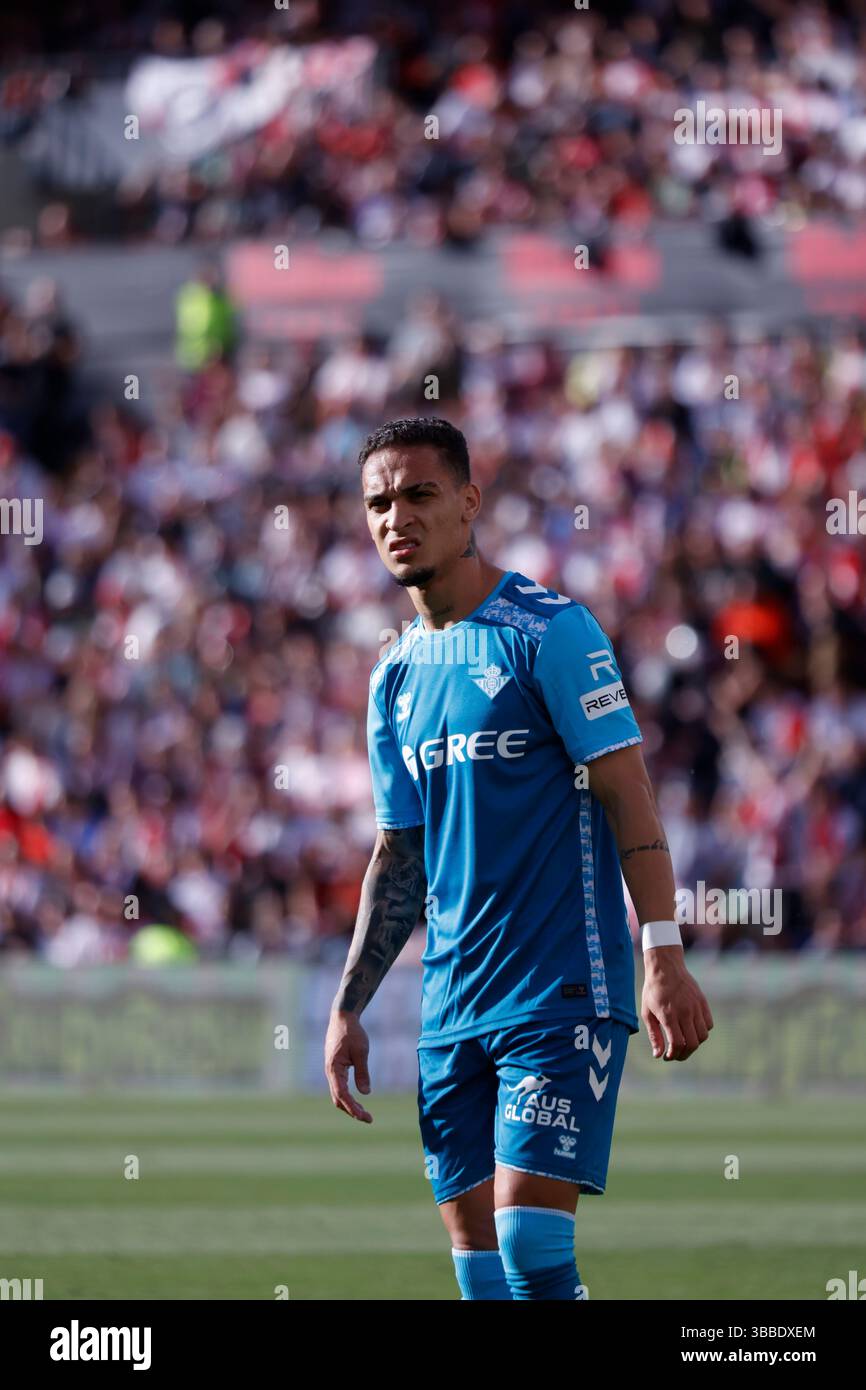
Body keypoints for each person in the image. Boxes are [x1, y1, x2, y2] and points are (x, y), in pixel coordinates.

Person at [324, 416, 713, 1301]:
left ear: (469, 504)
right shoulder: (393, 675)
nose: (398, 519)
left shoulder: (551, 633)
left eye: (420, 495)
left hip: (559, 985)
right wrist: (350, 1005)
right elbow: (401, 854)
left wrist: (663, 955)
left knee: (532, 1248)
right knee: (480, 1271)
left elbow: (630, 797)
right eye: (379, 503)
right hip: (451, 1004)